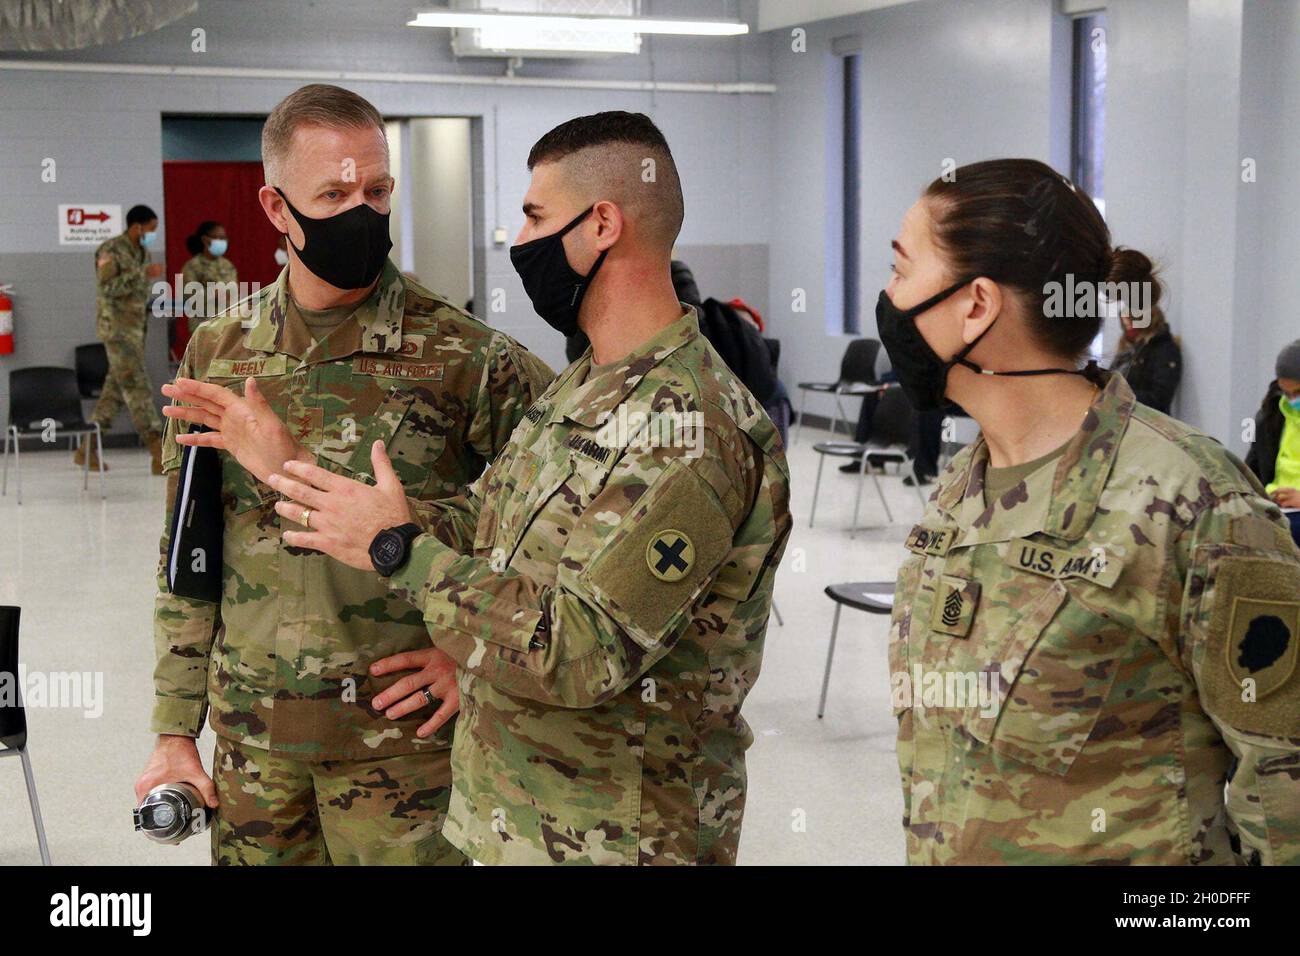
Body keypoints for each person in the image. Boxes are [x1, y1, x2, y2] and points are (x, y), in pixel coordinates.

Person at [236, 111, 792, 865]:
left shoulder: (689, 428)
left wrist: (400, 550)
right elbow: (485, 523)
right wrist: (361, 510)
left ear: (601, 226)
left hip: (619, 837)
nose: (520, 241)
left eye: (534, 217)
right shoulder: (583, 388)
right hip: (515, 821)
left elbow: (578, 650)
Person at [134, 84, 553, 866]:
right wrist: (172, 731)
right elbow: (187, 556)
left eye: (378, 190)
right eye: (333, 193)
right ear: (275, 207)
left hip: (403, 753)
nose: (362, 211)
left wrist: (478, 658)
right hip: (255, 745)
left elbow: (563, 531)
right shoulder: (220, 355)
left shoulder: (469, 357)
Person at [880, 158, 1300, 864]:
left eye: (900, 270)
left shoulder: (1195, 503)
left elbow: (1285, 783)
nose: (889, 299)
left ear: (975, 303)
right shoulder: (964, 482)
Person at [82, 203, 166, 473]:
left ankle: (86, 450)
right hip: (117, 330)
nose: (152, 234)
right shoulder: (111, 250)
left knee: (115, 390)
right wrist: (142, 274)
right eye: (151, 229)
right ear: (136, 226)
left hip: (135, 329)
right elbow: (107, 288)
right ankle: (158, 451)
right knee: (137, 386)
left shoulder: (142, 252)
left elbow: (135, 292)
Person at [1246, 339, 1300, 545]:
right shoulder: (1270, 416)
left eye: (1298, 392)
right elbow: (1250, 472)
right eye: (1286, 393)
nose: (1292, 399)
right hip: (1275, 506)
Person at [1108, 267, 1181, 413]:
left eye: (1131, 320)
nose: (1128, 326)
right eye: (1125, 322)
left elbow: (1159, 398)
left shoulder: (1164, 350)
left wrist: (1118, 395)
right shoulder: (1127, 349)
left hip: (1144, 422)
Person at [177, 221, 239, 360]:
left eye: (224, 238)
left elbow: (234, 292)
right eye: (218, 238)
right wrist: (213, 293)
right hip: (203, 327)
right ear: (206, 240)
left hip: (227, 327)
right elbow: (189, 297)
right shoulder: (193, 266)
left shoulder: (227, 265)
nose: (222, 242)